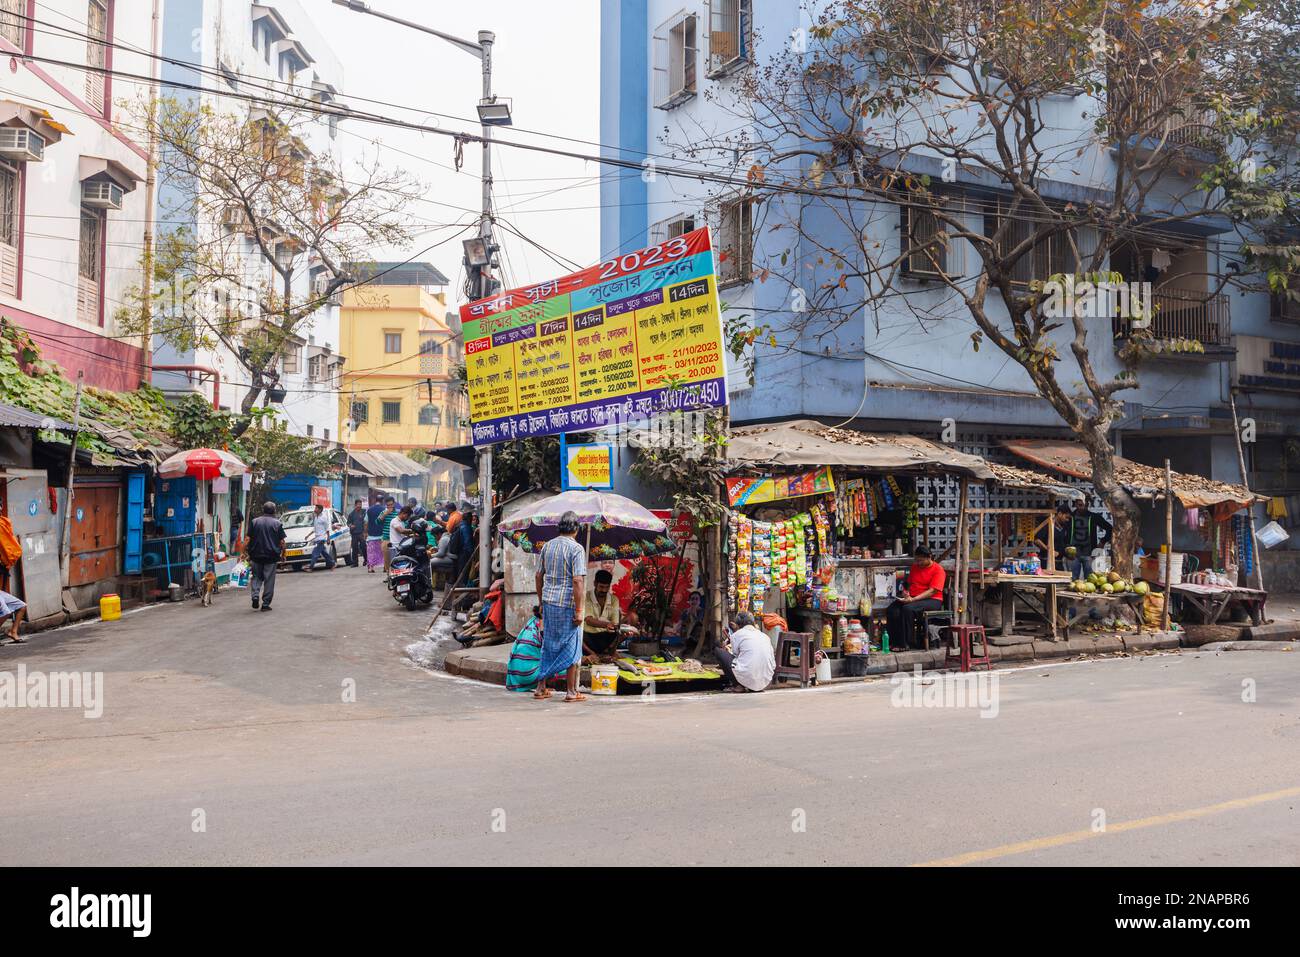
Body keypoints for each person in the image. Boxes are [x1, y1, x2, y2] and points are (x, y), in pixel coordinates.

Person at [534, 511, 587, 702]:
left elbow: (538, 576)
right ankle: (571, 691)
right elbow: (577, 581)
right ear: (576, 529)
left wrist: (541, 602)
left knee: (548, 644)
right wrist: (580, 610)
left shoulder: (548, 546)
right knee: (571, 646)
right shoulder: (577, 549)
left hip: (549, 602)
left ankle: (541, 687)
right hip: (567, 604)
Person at [885, 546, 946, 650]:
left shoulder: (938, 570)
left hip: (932, 600)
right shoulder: (915, 567)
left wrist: (913, 599)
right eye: (916, 560)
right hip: (913, 598)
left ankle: (907, 643)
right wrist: (906, 593)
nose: (918, 563)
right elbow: (909, 583)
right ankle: (895, 642)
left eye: (921, 560)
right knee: (892, 610)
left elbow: (932, 591)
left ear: (929, 557)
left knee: (908, 609)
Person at [714, 611, 775, 692]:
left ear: (738, 624)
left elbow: (735, 654)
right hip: (765, 682)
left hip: (748, 677)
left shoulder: (737, 635)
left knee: (719, 652)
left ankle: (738, 686)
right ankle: (751, 685)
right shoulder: (765, 636)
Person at [583, 568, 635, 657]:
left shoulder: (614, 599)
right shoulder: (586, 596)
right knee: (576, 629)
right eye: (601, 587)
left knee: (633, 617)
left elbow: (615, 623)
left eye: (606, 587)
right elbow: (588, 620)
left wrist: (624, 629)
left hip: (606, 637)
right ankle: (592, 653)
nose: (604, 590)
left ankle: (610, 650)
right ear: (595, 584)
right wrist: (606, 625)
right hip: (588, 637)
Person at [247, 501, 286, 612]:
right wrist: (284, 554)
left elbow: (247, 539)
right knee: (269, 580)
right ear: (274, 511)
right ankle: (265, 604)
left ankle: (255, 596)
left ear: (263, 510)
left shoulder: (254, 522)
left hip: (256, 555)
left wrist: (242, 553)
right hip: (271, 556)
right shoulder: (277, 523)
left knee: (256, 577)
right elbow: (282, 542)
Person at [1066, 499, 1113, 578]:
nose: (1083, 508)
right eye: (1080, 505)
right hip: (1073, 555)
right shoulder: (1070, 517)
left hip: (1089, 554)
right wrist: (1065, 547)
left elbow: (1109, 528)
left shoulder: (1094, 517)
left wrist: (1102, 541)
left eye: (1086, 505)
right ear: (1076, 505)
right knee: (1072, 581)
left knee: (1090, 580)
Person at [1036, 505, 1072, 570]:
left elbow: (1065, 544)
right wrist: (1049, 550)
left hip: (1059, 563)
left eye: (1068, 518)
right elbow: (1037, 540)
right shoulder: (1047, 524)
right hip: (1045, 562)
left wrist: (1068, 553)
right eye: (1066, 517)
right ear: (1060, 514)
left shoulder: (1065, 527)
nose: (1067, 520)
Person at [305, 503, 338, 571]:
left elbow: (327, 528)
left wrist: (328, 538)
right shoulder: (316, 517)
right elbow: (315, 528)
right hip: (317, 538)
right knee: (325, 554)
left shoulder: (324, 518)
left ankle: (311, 568)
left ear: (320, 510)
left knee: (315, 553)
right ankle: (333, 563)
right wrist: (308, 535)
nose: (315, 509)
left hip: (321, 538)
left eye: (316, 508)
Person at [364, 497, 386, 574]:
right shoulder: (385, 510)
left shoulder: (369, 510)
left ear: (375, 500)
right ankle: (385, 567)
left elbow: (366, 522)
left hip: (371, 534)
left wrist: (365, 533)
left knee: (371, 552)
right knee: (383, 551)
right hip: (382, 534)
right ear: (382, 501)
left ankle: (370, 567)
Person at [379, 497, 398, 578]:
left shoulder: (398, 513)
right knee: (387, 559)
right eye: (388, 505)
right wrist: (385, 514)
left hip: (396, 539)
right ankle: (388, 575)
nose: (389, 507)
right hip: (386, 538)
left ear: (394, 504)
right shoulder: (384, 512)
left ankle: (396, 574)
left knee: (396, 558)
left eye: (391, 505)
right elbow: (378, 522)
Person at [347, 499, 367, 568]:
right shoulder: (351, 514)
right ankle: (355, 563)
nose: (359, 506)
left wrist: (366, 532)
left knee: (363, 547)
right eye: (358, 504)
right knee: (354, 548)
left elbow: (366, 521)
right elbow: (348, 523)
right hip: (354, 533)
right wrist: (350, 525)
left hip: (362, 533)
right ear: (355, 505)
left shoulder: (364, 512)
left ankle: (366, 560)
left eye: (360, 504)